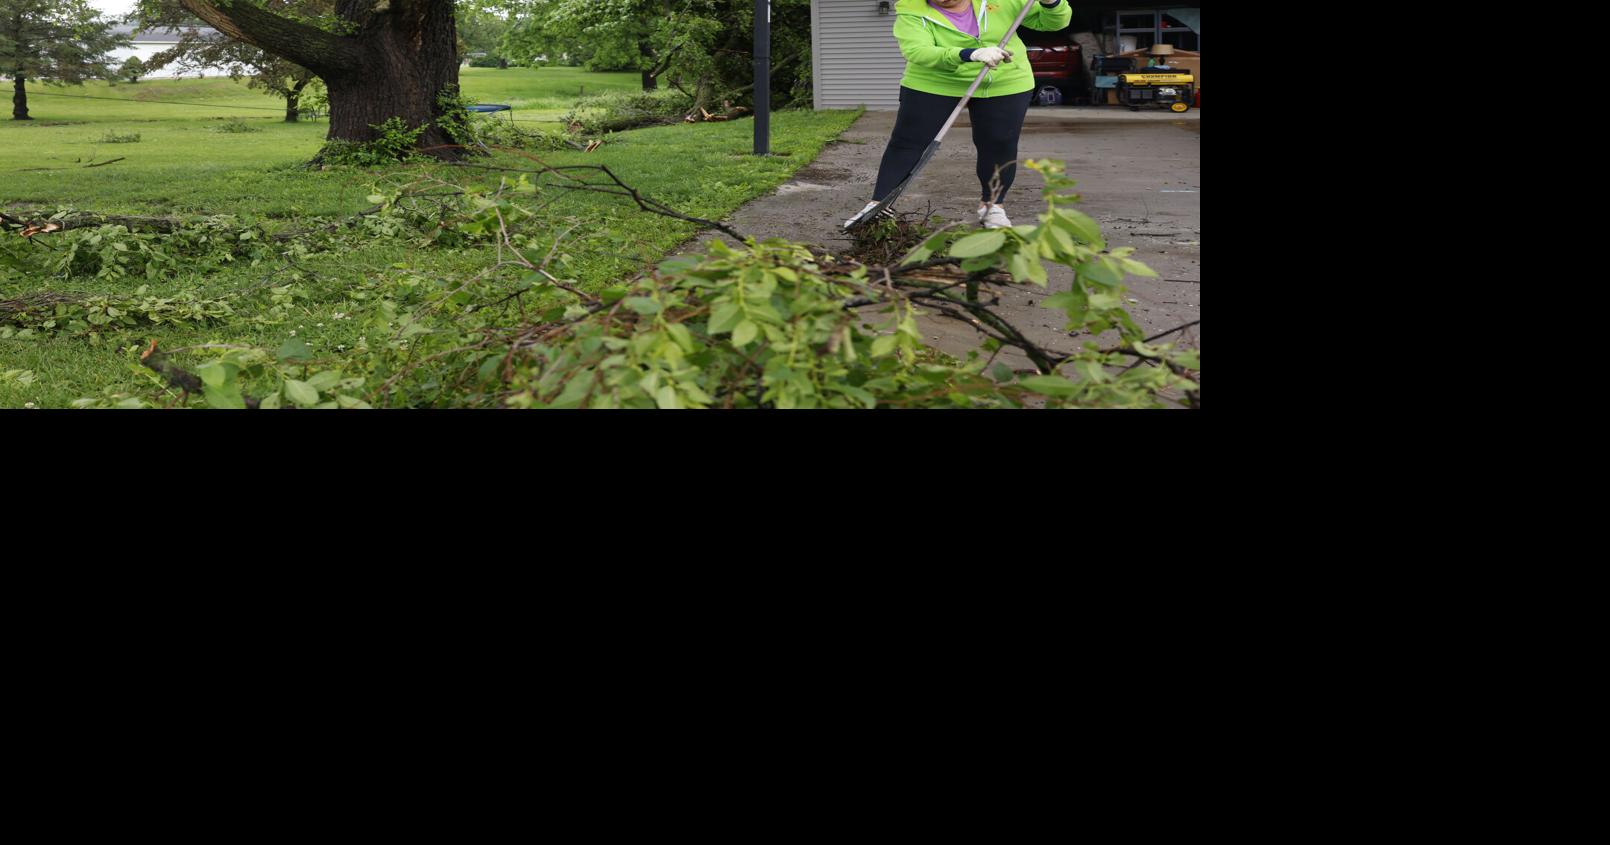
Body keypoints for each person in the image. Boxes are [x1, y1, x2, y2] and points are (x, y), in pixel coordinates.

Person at [846, 0, 1072, 230]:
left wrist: (1051, 3)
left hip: (1004, 80)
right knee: (907, 142)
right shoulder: (911, 8)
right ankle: (879, 205)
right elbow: (918, 51)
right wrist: (969, 54)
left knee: (999, 143)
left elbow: (1052, 23)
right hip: (934, 81)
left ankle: (993, 206)